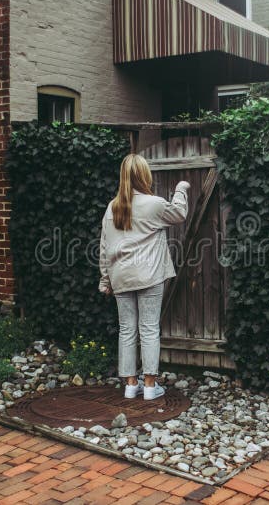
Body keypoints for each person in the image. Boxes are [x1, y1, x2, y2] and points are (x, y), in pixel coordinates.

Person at [99, 154, 189, 400]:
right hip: (149, 276)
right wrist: (181, 188)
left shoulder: (112, 207)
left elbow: (104, 246)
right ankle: (150, 386)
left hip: (120, 277)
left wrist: (105, 280)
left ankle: (130, 385)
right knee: (148, 329)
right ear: (144, 175)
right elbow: (179, 213)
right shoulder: (154, 203)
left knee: (126, 330)